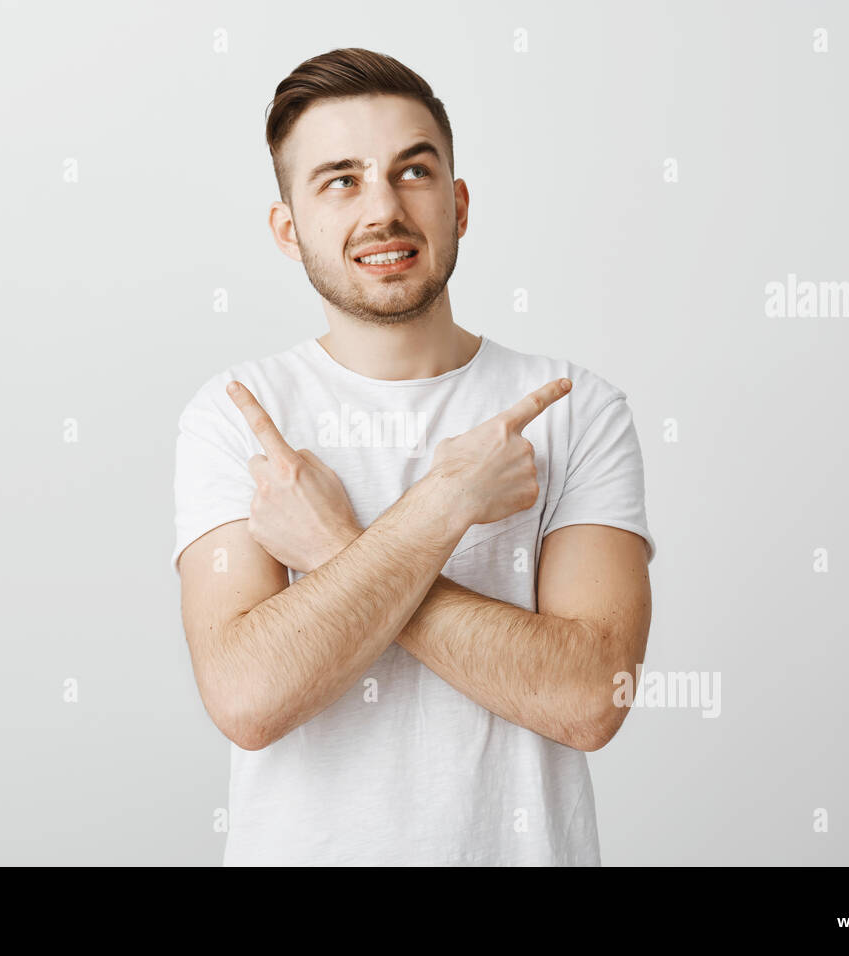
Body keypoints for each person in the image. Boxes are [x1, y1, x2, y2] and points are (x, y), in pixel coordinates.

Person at [171, 48, 655, 865]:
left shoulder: (576, 408)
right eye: (341, 179)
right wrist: (445, 505)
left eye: (413, 172)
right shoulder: (239, 418)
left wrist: (335, 551)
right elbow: (248, 698)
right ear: (288, 229)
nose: (383, 209)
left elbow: (588, 699)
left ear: (458, 204)